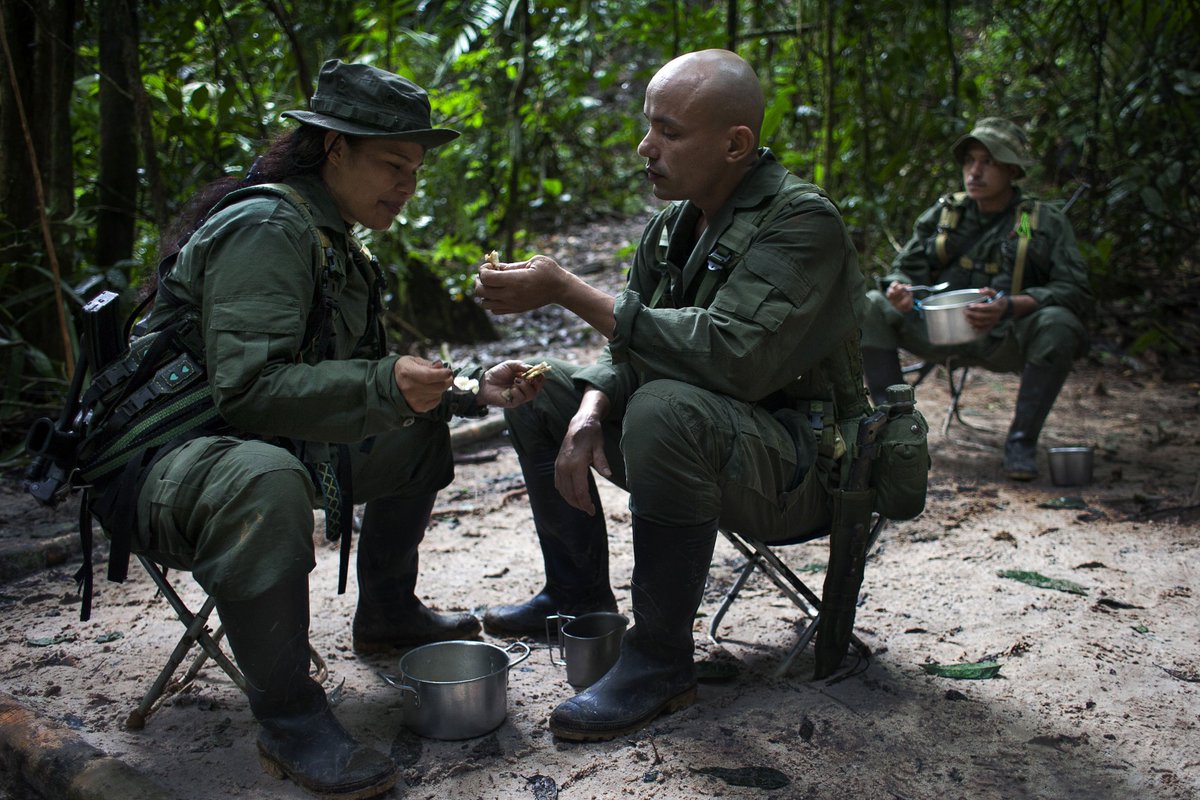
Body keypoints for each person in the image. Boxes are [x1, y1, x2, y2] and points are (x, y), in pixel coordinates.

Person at [90, 60, 544, 798]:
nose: (406, 184)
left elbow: (352, 380)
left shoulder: (332, 233)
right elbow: (250, 389)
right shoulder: (270, 226)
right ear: (335, 148)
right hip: (160, 462)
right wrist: (384, 383)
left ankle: (389, 614)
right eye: (392, 164)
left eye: (416, 169)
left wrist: (464, 389)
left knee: (414, 427)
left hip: (243, 438)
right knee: (264, 480)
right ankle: (292, 717)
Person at [473, 49, 871, 741]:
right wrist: (588, 411)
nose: (645, 147)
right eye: (646, 127)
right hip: (711, 449)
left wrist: (568, 289)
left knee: (663, 408)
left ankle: (660, 661)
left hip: (805, 471)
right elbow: (634, 347)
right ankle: (576, 598)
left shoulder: (803, 223)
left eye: (669, 132)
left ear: (735, 144)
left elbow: (732, 358)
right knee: (540, 388)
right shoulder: (672, 226)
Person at [860, 117, 1092, 480]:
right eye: (970, 160)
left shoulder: (1039, 222)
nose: (975, 171)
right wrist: (901, 291)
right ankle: (895, 435)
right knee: (871, 304)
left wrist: (1011, 306)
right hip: (937, 332)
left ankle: (1021, 445)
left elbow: (1075, 291)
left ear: (1013, 170)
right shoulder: (944, 215)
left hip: (1003, 337)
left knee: (1059, 325)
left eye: (989, 161)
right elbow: (904, 270)